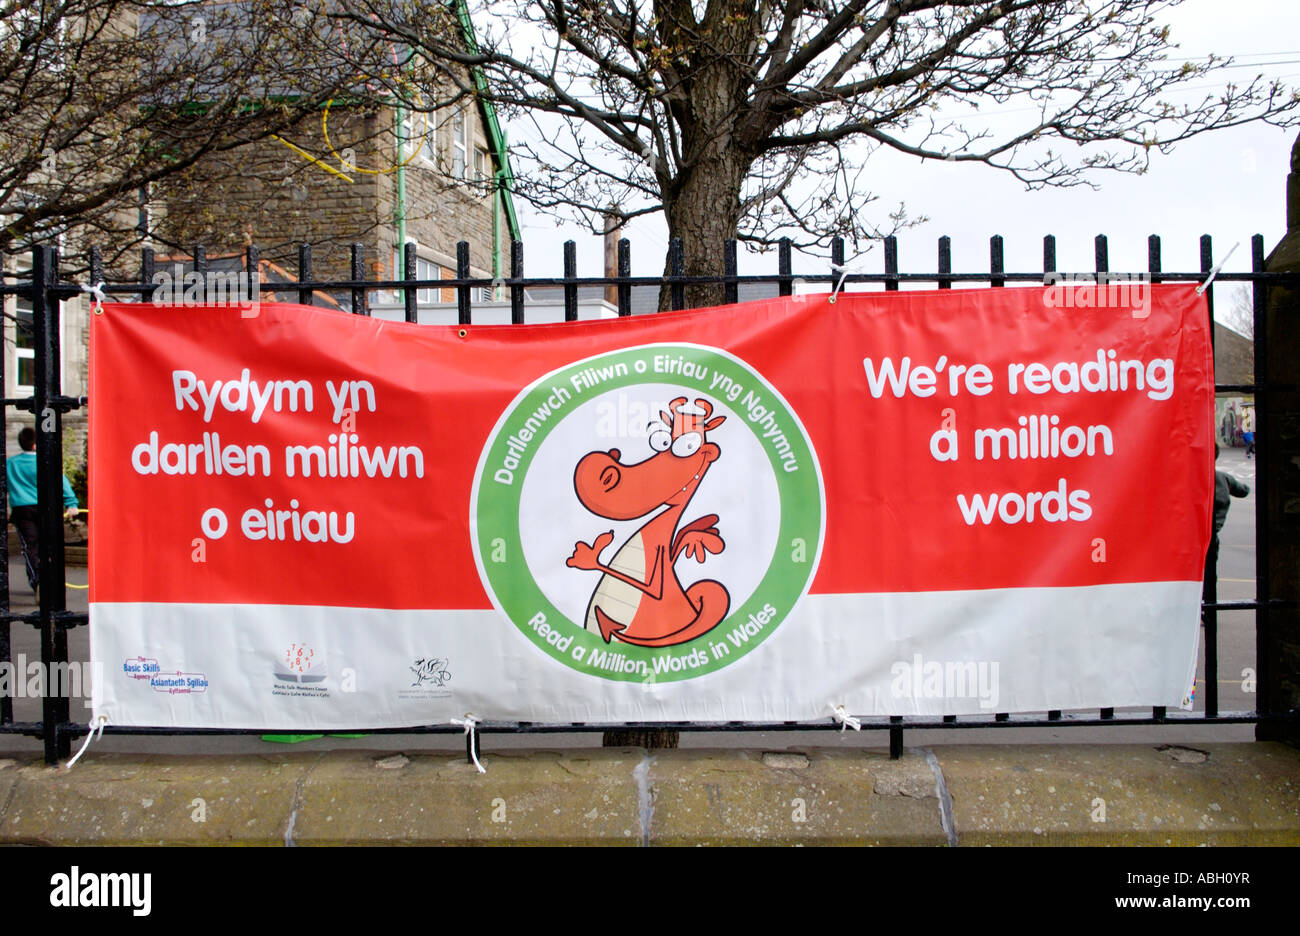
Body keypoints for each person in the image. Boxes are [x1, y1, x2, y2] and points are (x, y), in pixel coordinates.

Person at [6, 427, 79, 591]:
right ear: (35, 445)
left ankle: (37, 580)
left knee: (30, 546)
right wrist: (71, 503)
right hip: (46, 508)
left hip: (21, 508)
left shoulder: (10, 463)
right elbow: (62, 483)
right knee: (49, 544)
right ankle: (52, 581)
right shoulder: (46, 460)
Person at [1204, 443, 1249, 619]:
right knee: (1210, 573)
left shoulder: (1195, 477)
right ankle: (1209, 606)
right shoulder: (1223, 478)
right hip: (1212, 534)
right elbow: (1244, 491)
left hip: (1196, 534)